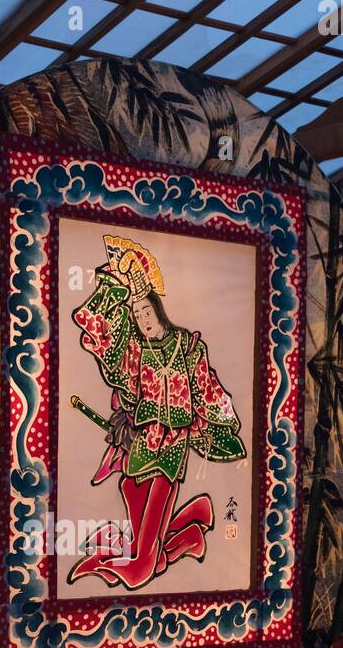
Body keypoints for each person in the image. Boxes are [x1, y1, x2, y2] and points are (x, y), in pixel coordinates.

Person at [69, 234, 246, 590]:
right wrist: (118, 289)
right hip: (141, 442)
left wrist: (224, 428)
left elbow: (207, 390)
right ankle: (190, 535)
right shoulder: (133, 351)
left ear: (158, 309)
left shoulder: (187, 347)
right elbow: (96, 329)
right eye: (137, 314)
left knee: (140, 570)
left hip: (171, 446)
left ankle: (160, 544)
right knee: (132, 496)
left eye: (147, 310)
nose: (143, 318)